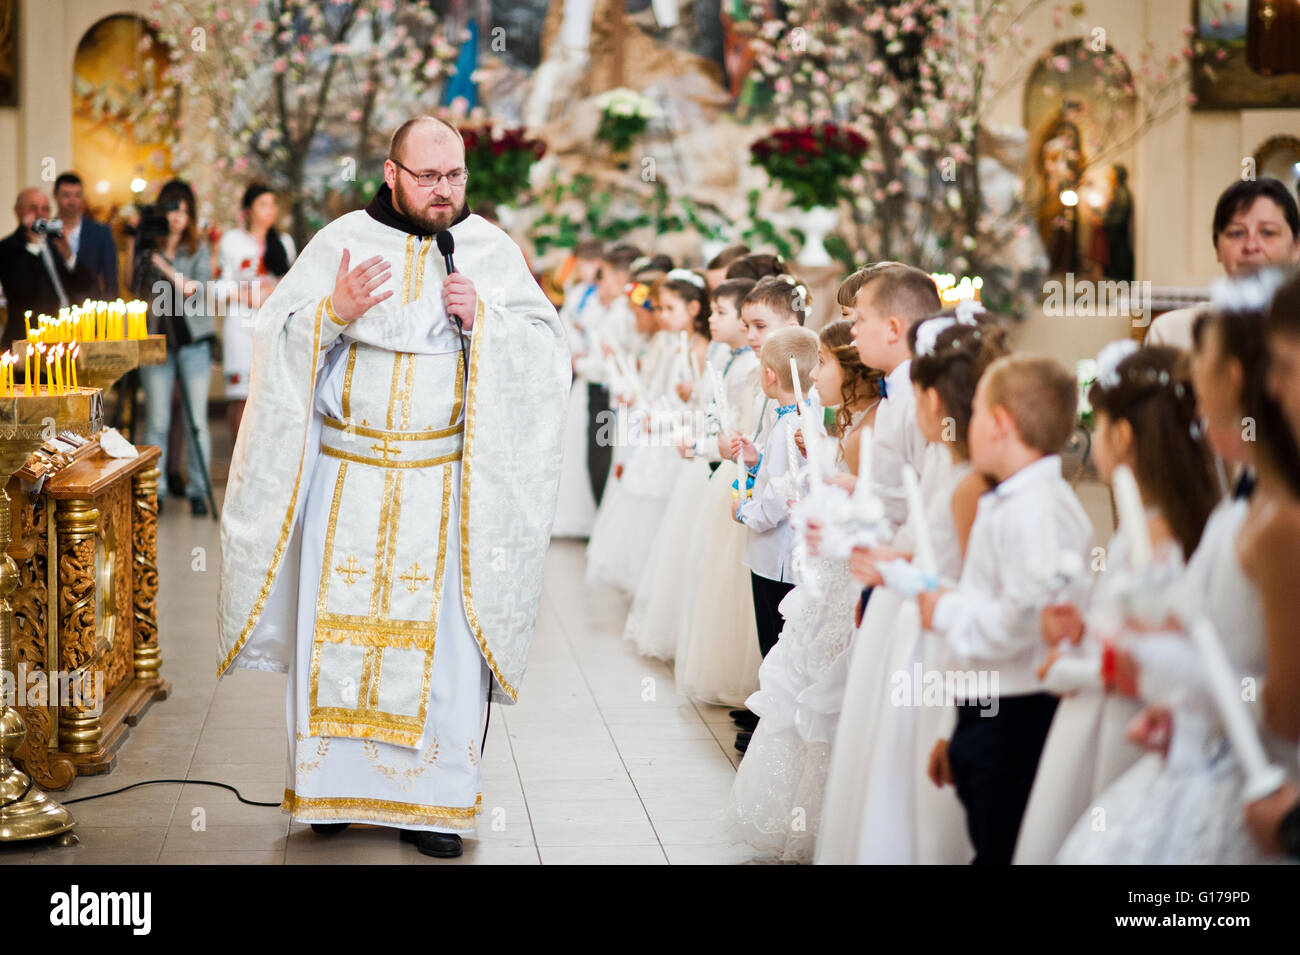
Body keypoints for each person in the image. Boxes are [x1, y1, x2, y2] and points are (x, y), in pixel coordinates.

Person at [216, 115, 570, 860]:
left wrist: (490, 324)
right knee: (335, 633)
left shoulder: (490, 252)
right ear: (390, 172)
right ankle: (330, 786)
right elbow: (275, 337)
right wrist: (332, 314)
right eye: (428, 177)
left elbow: (548, 357)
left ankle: (434, 806)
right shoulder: (340, 242)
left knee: (443, 650)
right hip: (348, 481)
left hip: (444, 490)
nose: (443, 191)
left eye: (455, 177)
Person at [1014, 344, 1219, 863]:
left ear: (1122, 436)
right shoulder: (1169, 522)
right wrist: (1085, 629)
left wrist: (1074, 665)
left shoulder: (1153, 537)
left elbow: (1148, 660)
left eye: (1099, 426)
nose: (1094, 440)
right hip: (1109, 710)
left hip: (1120, 724)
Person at [917, 355, 1094, 864]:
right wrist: (955, 730)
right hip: (991, 704)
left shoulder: (1032, 511)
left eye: (973, 413)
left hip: (1015, 713)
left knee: (1003, 848)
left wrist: (946, 610)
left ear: (999, 424)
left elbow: (1023, 618)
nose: (965, 425)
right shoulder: (1017, 500)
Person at [728, 319, 880, 862]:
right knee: (801, 675)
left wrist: (750, 504)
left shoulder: (850, 433)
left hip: (820, 568)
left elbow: (783, 498)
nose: (816, 372)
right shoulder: (826, 424)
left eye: (827, 364)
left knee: (804, 675)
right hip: (822, 571)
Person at [131, 180, 216, 517]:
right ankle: (156, 491)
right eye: (172, 210)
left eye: (184, 211)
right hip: (156, 342)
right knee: (157, 422)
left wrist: (163, 264)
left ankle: (198, 489)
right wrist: (137, 243)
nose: (179, 217)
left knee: (197, 421)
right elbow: (134, 288)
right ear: (161, 213)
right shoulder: (146, 250)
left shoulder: (198, 249)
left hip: (193, 343)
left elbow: (194, 290)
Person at [1145, 178, 1300, 350]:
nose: (1251, 246)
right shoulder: (1171, 333)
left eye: (1268, 232)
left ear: (1296, 247)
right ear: (1217, 247)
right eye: (1237, 233)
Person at [218, 183, 295, 443]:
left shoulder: (283, 242)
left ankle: (266, 460)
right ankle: (239, 461)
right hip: (240, 326)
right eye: (263, 204)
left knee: (272, 394)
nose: (270, 210)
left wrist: (272, 293)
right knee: (242, 396)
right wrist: (247, 296)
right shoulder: (232, 241)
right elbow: (218, 285)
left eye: (272, 204)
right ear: (248, 210)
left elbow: (294, 282)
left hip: (273, 325)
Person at [0, 188, 94, 348]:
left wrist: (68, 255)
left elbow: (84, 284)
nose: (39, 214)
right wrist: (33, 245)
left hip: (68, 333)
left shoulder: (55, 243)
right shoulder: (8, 248)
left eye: (45, 209)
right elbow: (23, 292)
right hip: (30, 338)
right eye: (33, 208)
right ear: (18, 211)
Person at [53, 172, 118, 298]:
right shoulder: (46, 231)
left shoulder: (100, 232)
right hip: (53, 311)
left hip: (90, 308)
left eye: (77, 195)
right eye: (66, 195)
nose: (72, 200)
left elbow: (111, 280)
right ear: (55, 195)